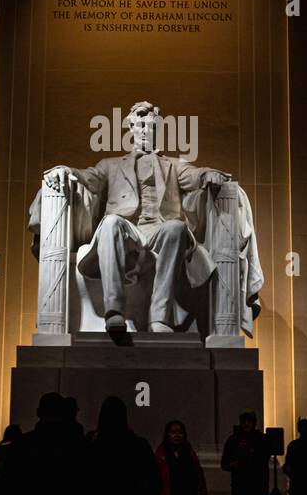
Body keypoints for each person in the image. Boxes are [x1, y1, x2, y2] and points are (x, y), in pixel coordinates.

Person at [36, 101, 233, 336]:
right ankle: (114, 312)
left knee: (177, 228)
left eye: (152, 126)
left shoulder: (174, 164)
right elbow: (88, 178)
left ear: (159, 130)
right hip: (125, 229)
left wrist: (208, 174)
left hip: (159, 228)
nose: (146, 131)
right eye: (140, 125)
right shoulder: (110, 164)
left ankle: (160, 318)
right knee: (109, 223)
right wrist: (65, 171)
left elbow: (194, 175)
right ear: (131, 128)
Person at [282, 418, 307, 495]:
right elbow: (287, 466)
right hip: (299, 488)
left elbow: (287, 466)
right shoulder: (294, 445)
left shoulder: (294, 445)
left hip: (304, 488)